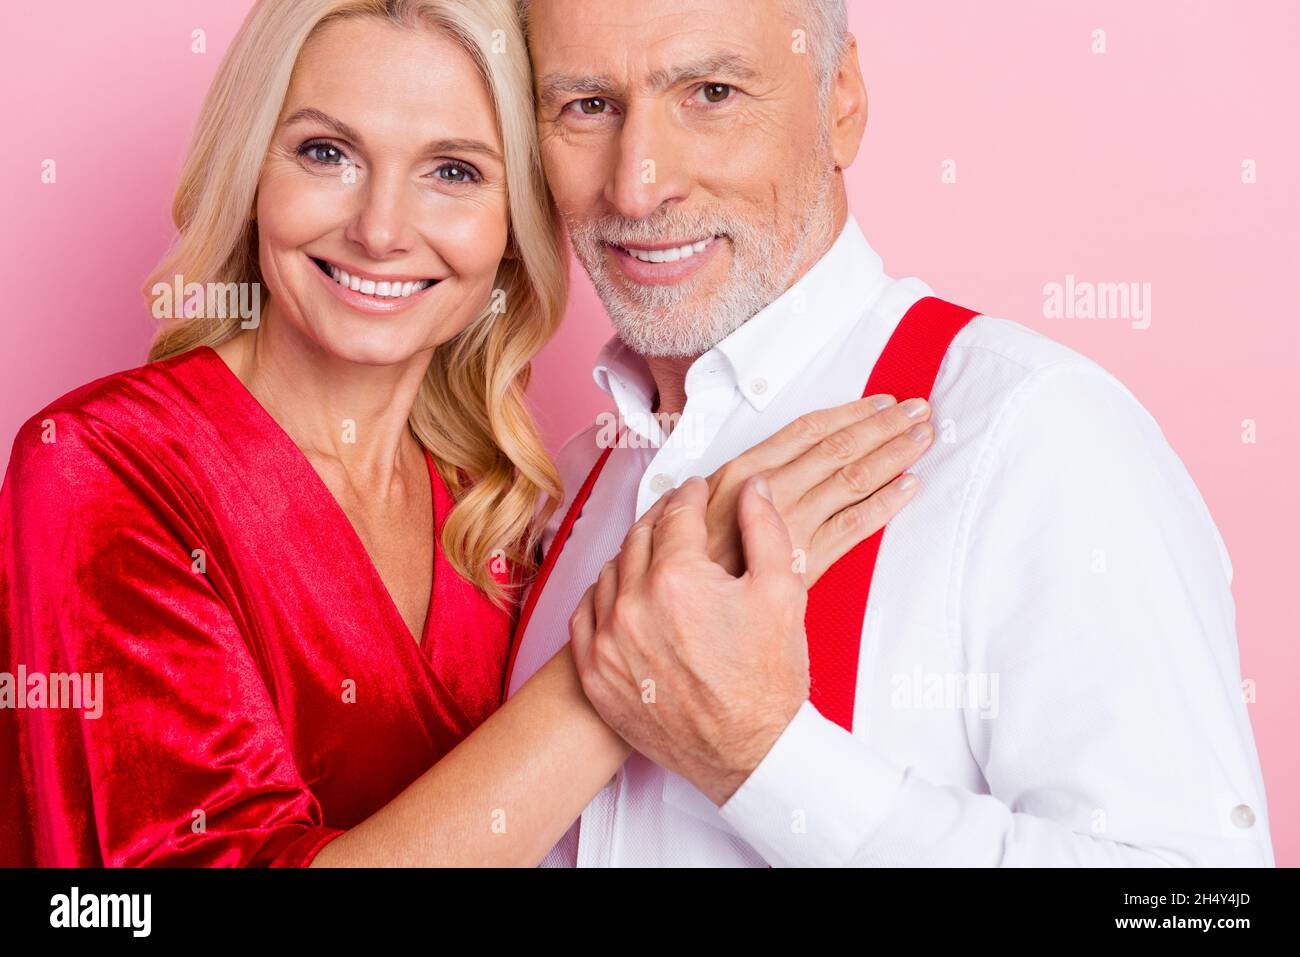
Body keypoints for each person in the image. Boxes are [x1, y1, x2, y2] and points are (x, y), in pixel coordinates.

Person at [0, 0, 931, 867]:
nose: (380, 227)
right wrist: (637, 651)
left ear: (515, 223)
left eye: (453, 172)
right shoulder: (99, 465)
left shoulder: (507, 501)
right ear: (250, 171)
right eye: (326, 153)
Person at [505, 0, 1275, 866]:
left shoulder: (1033, 432)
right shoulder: (564, 486)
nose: (637, 184)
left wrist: (763, 757)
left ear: (842, 102)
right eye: (587, 106)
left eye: (712, 92)